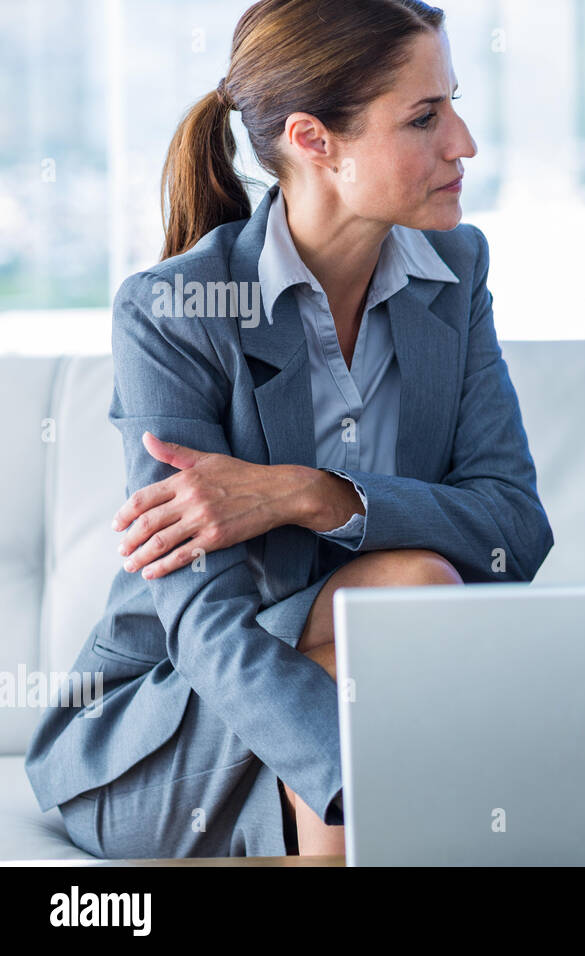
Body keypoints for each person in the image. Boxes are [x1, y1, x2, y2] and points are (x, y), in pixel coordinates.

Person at [26, 0, 551, 858]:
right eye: (425, 116)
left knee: (402, 600)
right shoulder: (174, 311)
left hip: (395, 679)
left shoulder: (455, 274)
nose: (464, 143)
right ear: (314, 141)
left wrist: (314, 496)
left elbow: (514, 531)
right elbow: (201, 624)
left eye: (452, 103)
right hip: (175, 730)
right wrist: (357, 772)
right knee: (403, 595)